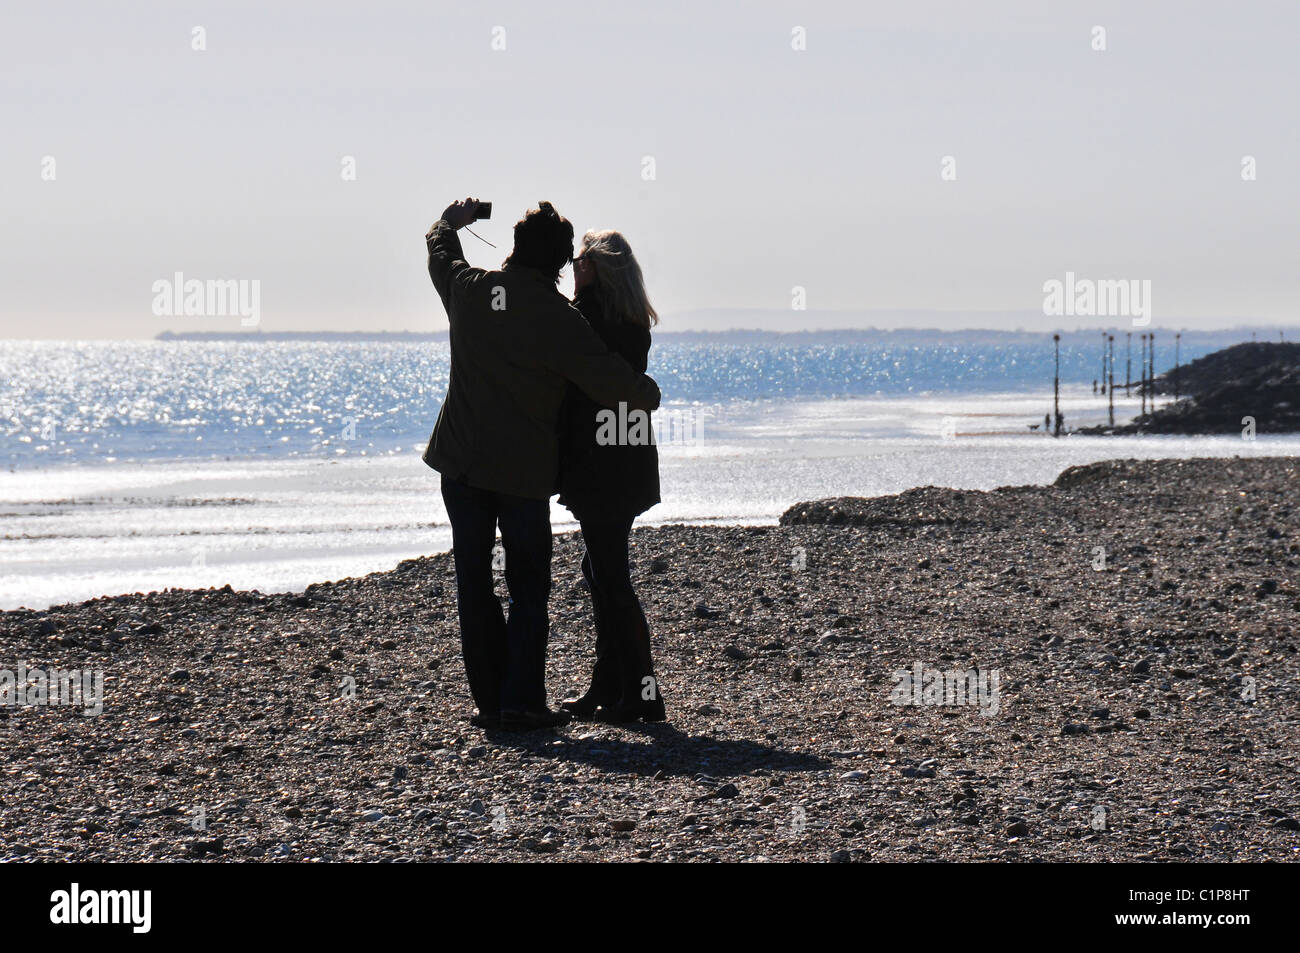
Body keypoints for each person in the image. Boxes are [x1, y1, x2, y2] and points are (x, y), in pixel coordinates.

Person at [424, 199, 661, 732]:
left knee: (473, 582)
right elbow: (609, 379)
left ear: (512, 248)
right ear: (559, 265)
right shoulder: (559, 317)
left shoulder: (470, 290)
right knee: (528, 586)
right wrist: (649, 394)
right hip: (521, 475)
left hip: (459, 464)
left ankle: (492, 701)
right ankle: (522, 701)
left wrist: (449, 222)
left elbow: (441, 255)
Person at [557, 230, 666, 723]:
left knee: (610, 576)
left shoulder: (590, 320)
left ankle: (641, 693)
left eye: (583, 261)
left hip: (603, 464)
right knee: (600, 571)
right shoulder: (629, 321)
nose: (574, 266)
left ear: (603, 268)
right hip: (623, 457)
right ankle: (612, 684)